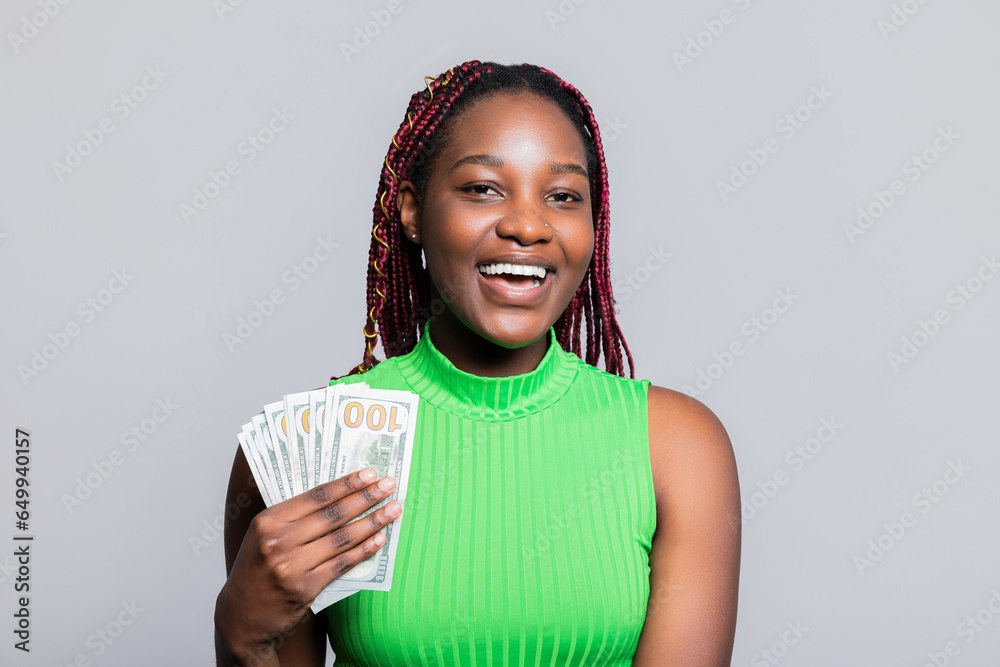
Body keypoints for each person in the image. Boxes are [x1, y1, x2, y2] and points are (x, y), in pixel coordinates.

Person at [215, 60, 741, 666]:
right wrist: (242, 635)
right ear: (412, 211)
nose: (527, 225)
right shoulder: (309, 447)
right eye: (483, 189)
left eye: (563, 196)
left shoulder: (676, 447)